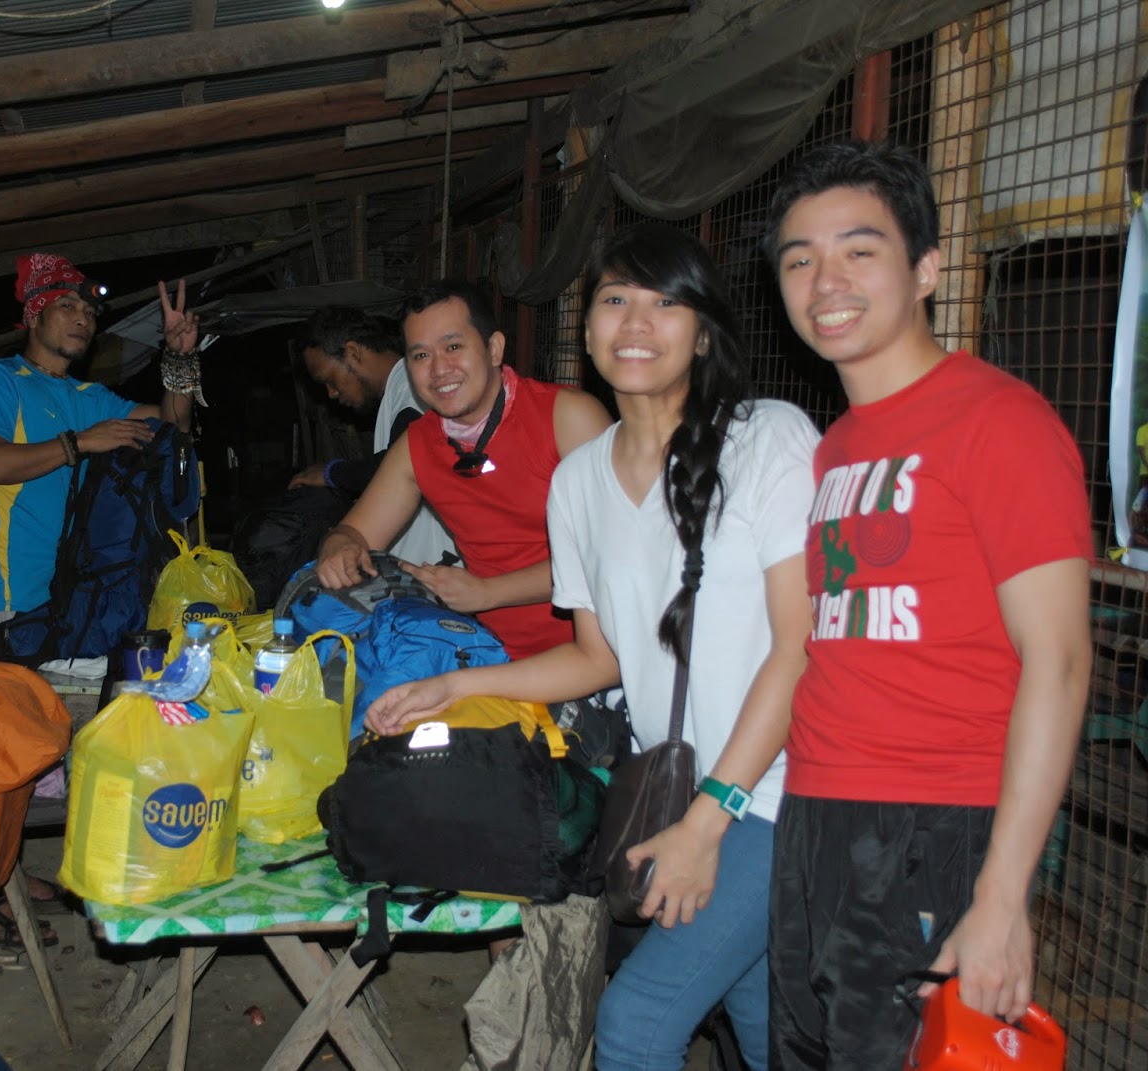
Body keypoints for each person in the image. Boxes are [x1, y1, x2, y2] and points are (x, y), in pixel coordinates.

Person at [370, 226, 817, 1070]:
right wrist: (458, 687)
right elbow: (598, 657)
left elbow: (800, 646)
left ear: (705, 330)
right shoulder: (580, 482)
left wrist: (709, 818)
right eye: (616, 300)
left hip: (777, 790)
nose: (637, 322)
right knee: (758, 1020)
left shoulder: (768, 439)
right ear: (588, 329)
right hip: (681, 781)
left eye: (665, 301)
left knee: (636, 1022)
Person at [763, 139, 1092, 1069]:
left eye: (859, 250)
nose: (825, 279)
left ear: (928, 269)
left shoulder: (1000, 421)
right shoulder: (838, 446)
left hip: (933, 823)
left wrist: (1001, 895)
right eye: (799, 259)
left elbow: (1060, 662)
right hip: (817, 811)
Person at [315, 280, 611, 658]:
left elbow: (607, 557)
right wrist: (339, 544)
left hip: (594, 655)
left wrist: (487, 592)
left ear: (493, 348)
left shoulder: (568, 417)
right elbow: (356, 530)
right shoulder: (418, 444)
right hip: (488, 653)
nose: (439, 369)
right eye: (420, 356)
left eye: (453, 347)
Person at [0, 253, 199, 634]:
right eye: (67, 306)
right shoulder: (0, 380)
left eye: (89, 311)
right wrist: (79, 442)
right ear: (35, 315)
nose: (83, 318)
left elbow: (174, 423)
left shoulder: (91, 397)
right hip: (6, 599)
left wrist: (179, 358)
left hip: (75, 598)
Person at [288, 307, 457, 566]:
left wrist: (332, 473)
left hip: (439, 567)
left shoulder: (412, 389)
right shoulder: (398, 390)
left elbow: (399, 467)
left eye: (330, 379)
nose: (331, 393)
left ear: (353, 353)